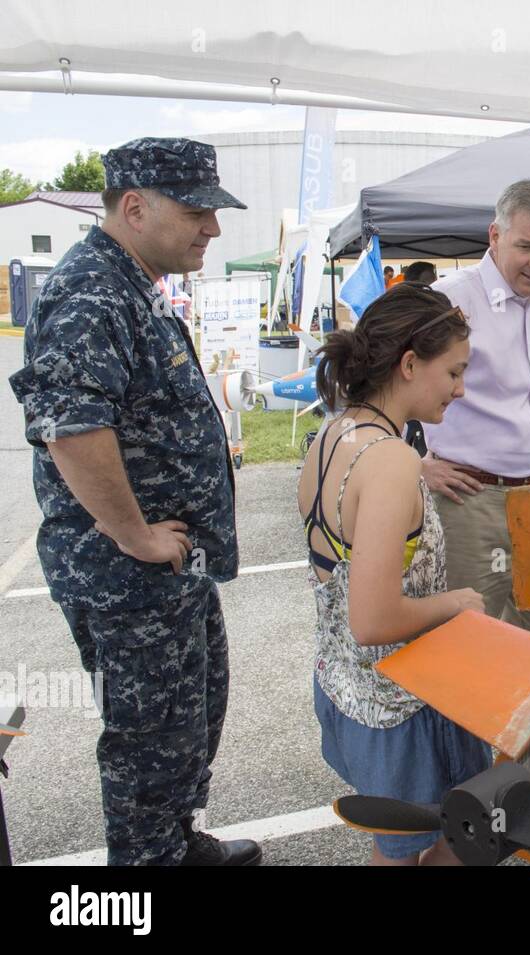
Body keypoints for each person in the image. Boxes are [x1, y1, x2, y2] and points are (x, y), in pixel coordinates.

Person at [7, 138, 259, 866]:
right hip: (129, 576)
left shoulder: (129, 280)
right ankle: (148, 866)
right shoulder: (92, 290)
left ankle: (176, 841)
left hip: (166, 571)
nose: (211, 228)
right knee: (148, 741)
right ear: (135, 206)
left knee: (188, 719)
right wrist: (136, 534)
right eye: (198, 211)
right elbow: (70, 425)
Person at [300, 283, 489, 866]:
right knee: (438, 843)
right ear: (410, 364)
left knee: (414, 842)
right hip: (399, 707)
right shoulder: (391, 460)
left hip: (346, 689)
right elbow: (374, 618)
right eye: (454, 372)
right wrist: (459, 603)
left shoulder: (333, 434)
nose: (460, 390)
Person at [419, 180, 530, 643]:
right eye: (526, 246)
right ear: (495, 235)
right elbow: (378, 384)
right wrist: (415, 465)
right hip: (471, 501)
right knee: (467, 640)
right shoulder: (448, 300)